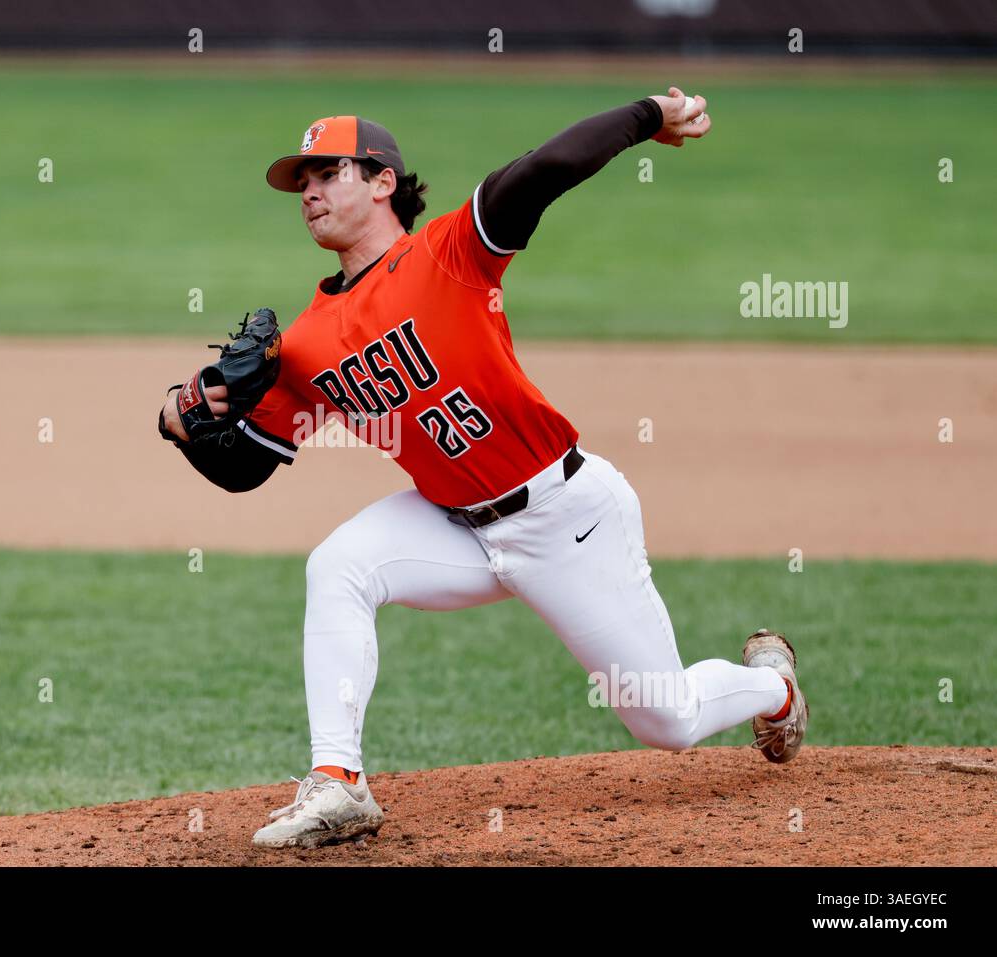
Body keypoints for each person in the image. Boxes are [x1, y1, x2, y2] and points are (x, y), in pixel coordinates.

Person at [158, 89, 808, 850]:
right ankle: (338, 783)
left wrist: (645, 115)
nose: (309, 191)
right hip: (453, 526)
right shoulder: (303, 344)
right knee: (336, 565)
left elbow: (546, 168)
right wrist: (183, 415)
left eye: (327, 171)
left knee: (666, 719)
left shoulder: (450, 253)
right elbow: (244, 471)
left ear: (381, 181)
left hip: (567, 515)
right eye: (300, 180)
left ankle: (774, 685)